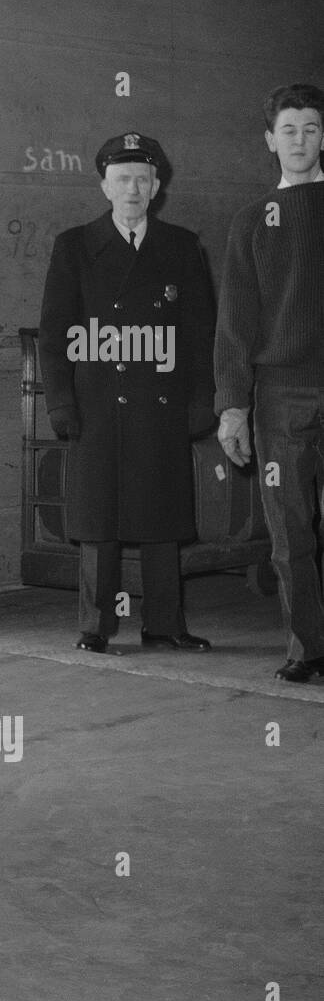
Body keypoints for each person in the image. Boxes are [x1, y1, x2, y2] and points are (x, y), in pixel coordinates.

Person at [38, 133, 216, 654]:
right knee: (101, 521)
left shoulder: (182, 246)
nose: (132, 189)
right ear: (105, 186)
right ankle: (95, 627)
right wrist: (61, 403)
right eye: (122, 180)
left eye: (142, 179)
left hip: (161, 401)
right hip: (98, 402)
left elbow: (201, 334)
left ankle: (165, 624)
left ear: (156, 186)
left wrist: (201, 401)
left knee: (162, 518)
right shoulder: (74, 245)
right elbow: (55, 333)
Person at [214, 83, 324, 682]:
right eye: (289, 130)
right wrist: (232, 406)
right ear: (269, 141)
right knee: (290, 534)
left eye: (311, 128)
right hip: (279, 398)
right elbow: (235, 323)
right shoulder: (252, 221)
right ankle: (308, 648)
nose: (300, 139)